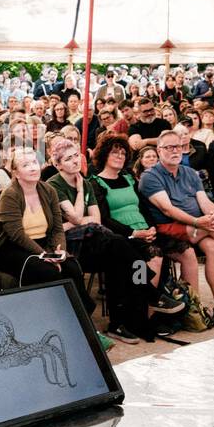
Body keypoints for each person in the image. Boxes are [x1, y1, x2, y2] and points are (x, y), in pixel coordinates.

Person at [46, 139, 154, 342]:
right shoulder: (54, 184)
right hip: (70, 247)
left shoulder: (86, 182)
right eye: (68, 159)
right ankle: (150, 291)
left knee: (122, 255)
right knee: (121, 247)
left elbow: (95, 219)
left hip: (94, 242)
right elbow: (78, 218)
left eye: (76, 155)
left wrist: (77, 219)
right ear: (58, 164)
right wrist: (79, 192)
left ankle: (122, 323)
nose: (75, 161)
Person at [139, 130, 214, 327]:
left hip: (197, 226)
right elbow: (168, 209)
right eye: (169, 147)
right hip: (167, 228)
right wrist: (200, 222)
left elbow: (203, 200)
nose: (175, 151)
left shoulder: (189, 173)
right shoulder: (150, 176)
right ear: (159, 150)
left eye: (178, 146)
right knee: (213, 230)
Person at [0, 148, 91, 304]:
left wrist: (60, 250)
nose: (33, 168)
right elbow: (17, 235)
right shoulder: (10, 195)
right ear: (16, 173)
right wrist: (46, 256)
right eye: (25, 165)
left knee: (71, 267)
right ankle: (55, 316)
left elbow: (57, 228)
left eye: (34, 163)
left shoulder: (48, 190)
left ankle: (81, 316)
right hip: (13, 248)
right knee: (47, 271)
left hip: (44, 243)